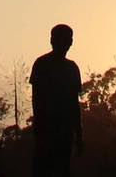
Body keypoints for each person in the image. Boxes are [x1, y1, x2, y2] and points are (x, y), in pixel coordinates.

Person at [29, 23, 82, 176]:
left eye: (67, 39)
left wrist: (78, 135)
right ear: (52, 40)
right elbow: (37, 101)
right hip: (48, 132)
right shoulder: (42, 64)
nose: (66, 43)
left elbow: (74, 104)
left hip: (62, 134)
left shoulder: (70, 68)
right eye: (62, 39)